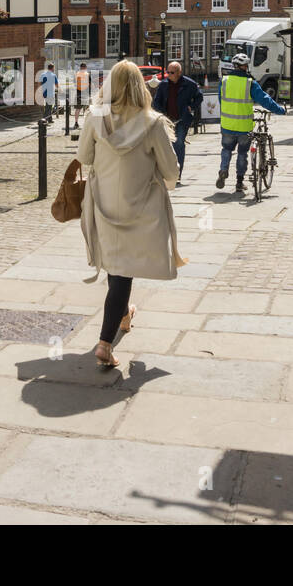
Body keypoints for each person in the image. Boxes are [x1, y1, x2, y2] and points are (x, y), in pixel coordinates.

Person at [76, 59, 185, 368]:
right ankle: (104, 343)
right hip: (139, 206)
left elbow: (84, 156)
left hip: (103, 203)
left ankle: (124, 314)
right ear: (139, 86)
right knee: (123, 270)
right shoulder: (152, 123)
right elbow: (170, 171)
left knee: (118, 266)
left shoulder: (94, 117)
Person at [216, 52, 286, 194]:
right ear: (245, 67)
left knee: (226, 149)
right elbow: (265, 100)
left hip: (227, 124)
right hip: (244, 126)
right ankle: (239, 183)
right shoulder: (250, 83)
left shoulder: (224, 81)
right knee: (242, 153)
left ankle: (223, 170)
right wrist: (280, 110)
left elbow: (220, 100)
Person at [151, 61, 202, 180]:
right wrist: (160, 113)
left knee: (178, 144)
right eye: (167, 72)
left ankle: (177, 173)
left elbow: (199, 97)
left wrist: (191, 107)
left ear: (179, 72)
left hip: (182, 120)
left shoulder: (190, 84)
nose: (169, 74)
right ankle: (167, 171)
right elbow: (156, 101)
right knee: (166, 146)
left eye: (172, 72)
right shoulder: (163, 85)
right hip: (166, 120)